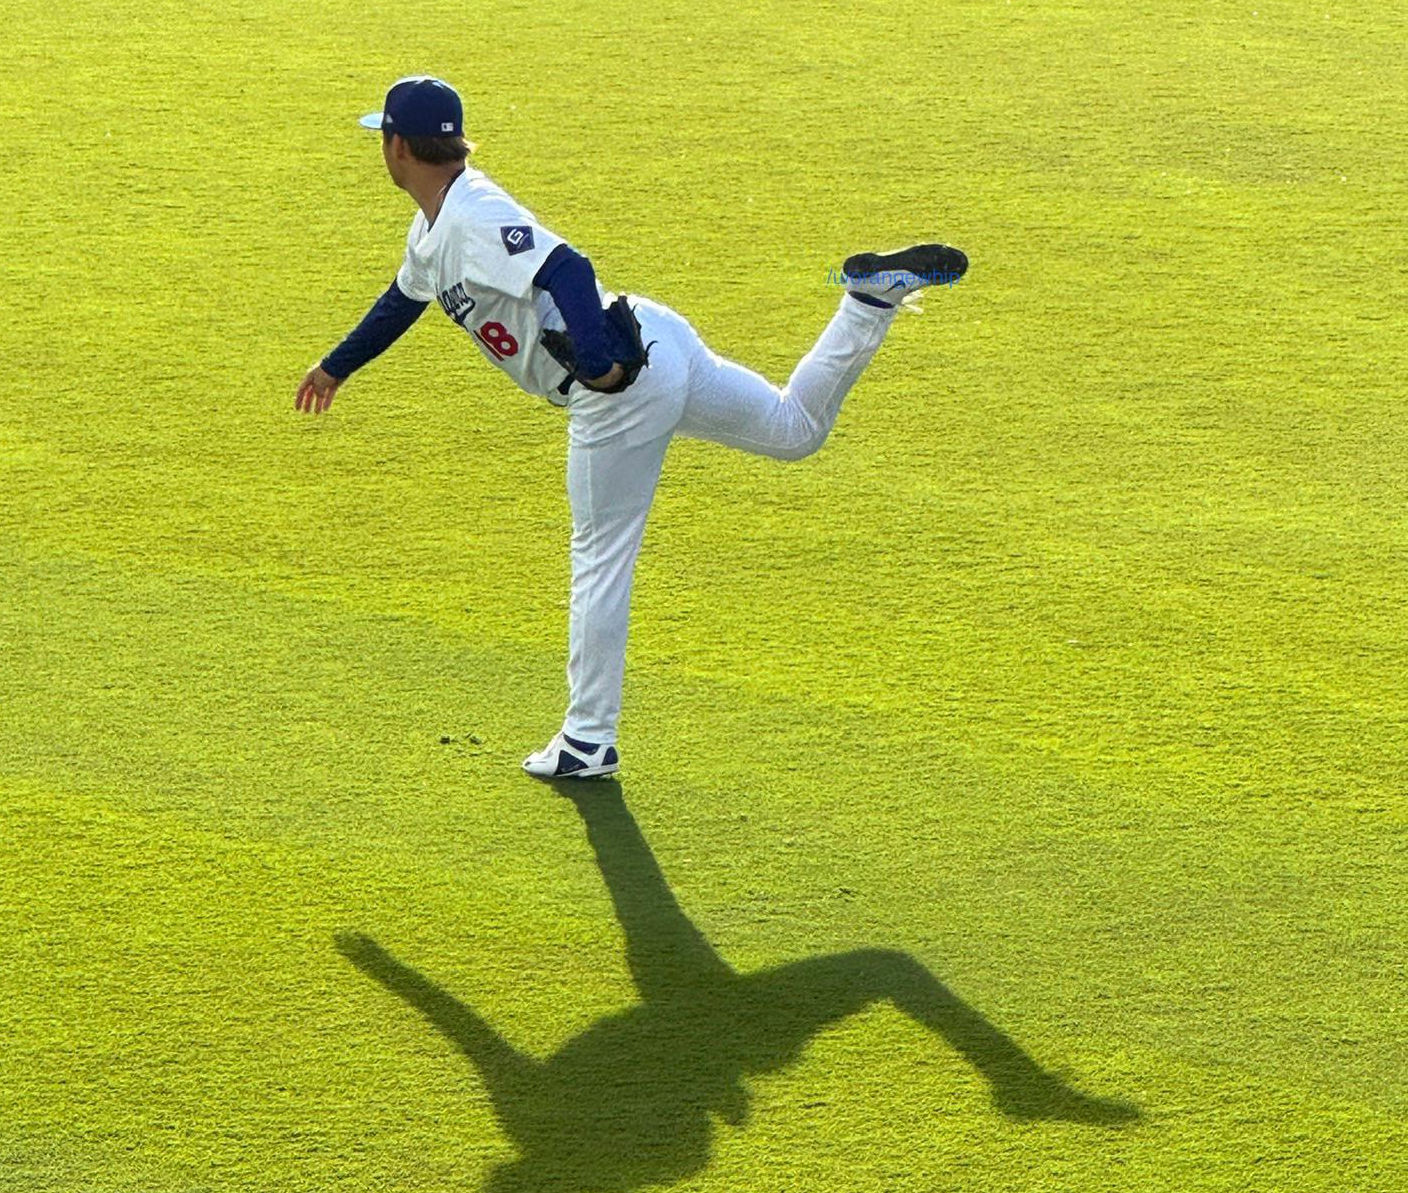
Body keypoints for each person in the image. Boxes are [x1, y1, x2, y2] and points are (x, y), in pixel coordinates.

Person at [295, 75, 968, 780]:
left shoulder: (473, 213)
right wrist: (337, 367)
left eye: (383, 138)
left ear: (399, 146)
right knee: (794, 429)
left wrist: (599, 368)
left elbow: (568, 268)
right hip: (657, 341)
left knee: (599, 558)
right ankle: (867, 302)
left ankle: (587, 739)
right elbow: (404, 299)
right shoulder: (433, 227)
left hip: (618, 387)